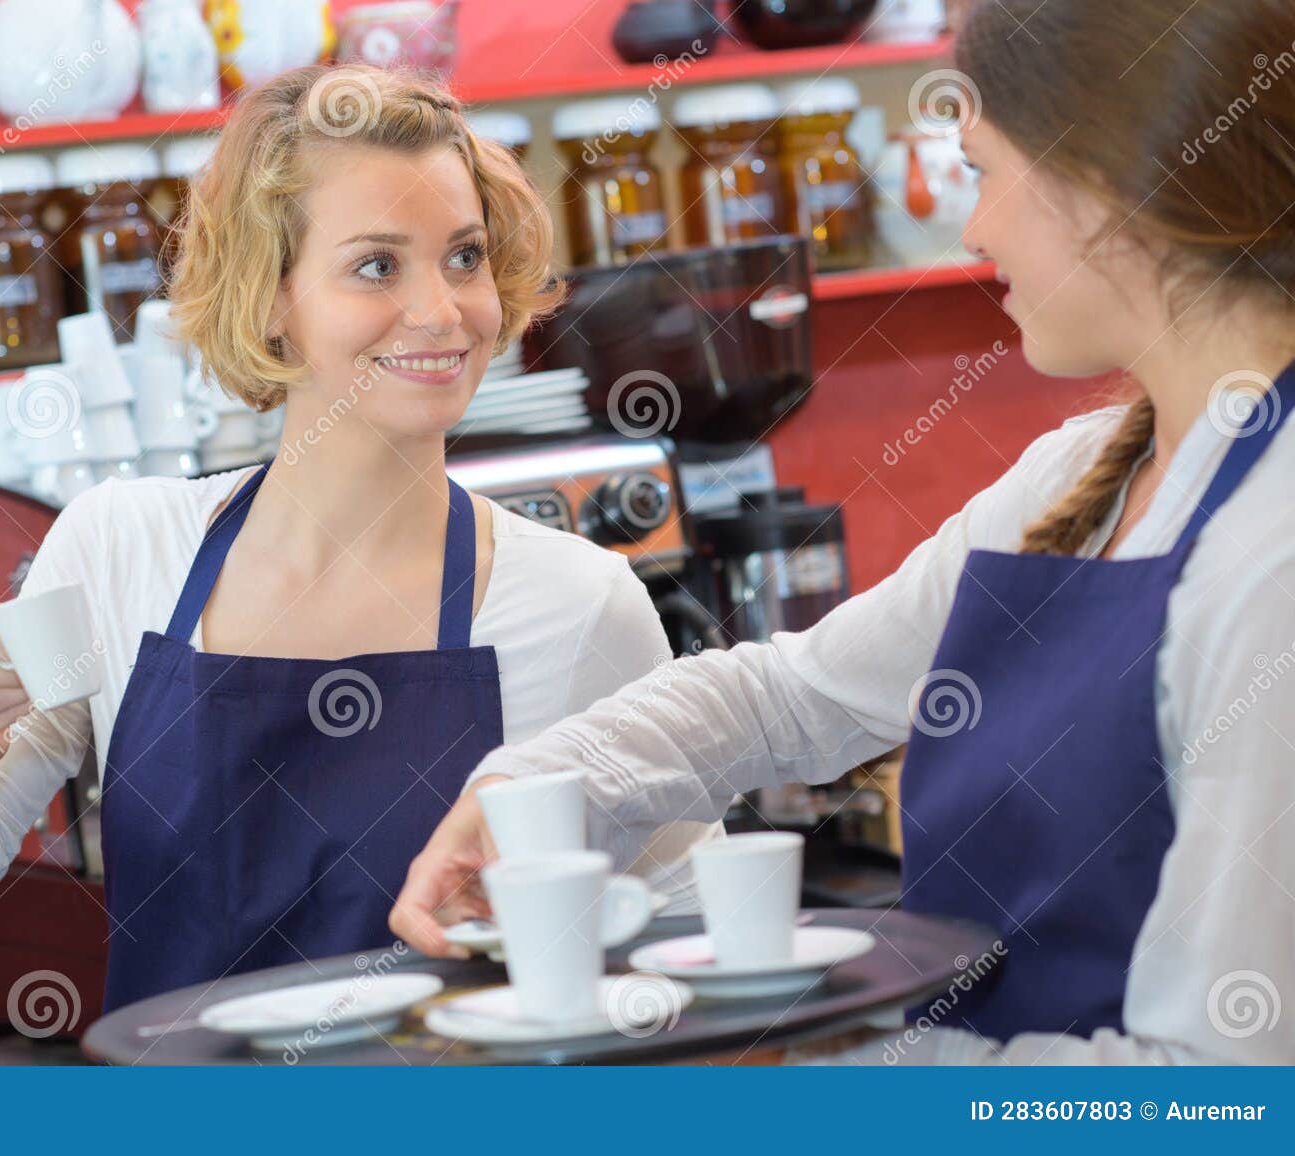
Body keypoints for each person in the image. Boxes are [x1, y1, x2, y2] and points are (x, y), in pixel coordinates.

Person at [391, 0, 1295, 1064]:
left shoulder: (1267, 554)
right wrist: (544, 784)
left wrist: (812, 1073)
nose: (974, 228)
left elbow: (1217, 1095)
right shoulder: (1086, 477)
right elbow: (795, 696)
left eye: (983, 170)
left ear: (1101, 183)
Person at [0, 65, 718, 1012]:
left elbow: (691, 947)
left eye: (463, 256)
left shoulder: (579, 603)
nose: (442, 310)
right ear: (270, 295)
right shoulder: (120, 550)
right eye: (378, 265)